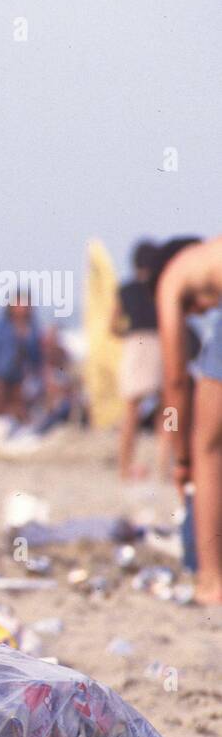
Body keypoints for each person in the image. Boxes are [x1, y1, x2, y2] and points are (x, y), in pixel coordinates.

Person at [155, 236, 222, 604]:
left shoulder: (172, 277)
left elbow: (175, 381)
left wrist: (183, 458)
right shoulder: (210, 256)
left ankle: (212, 583)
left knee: (210, 447)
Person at [114, 240, 166, 479]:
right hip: (162, 344)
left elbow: (113, 326)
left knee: (131, 411)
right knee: (167, 411)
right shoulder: (162, 286)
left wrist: (127, 333)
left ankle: (125, 468)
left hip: (136, 345)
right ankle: (164, 465)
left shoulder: (125, 289)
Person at [0, 293, 43, 420]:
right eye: (19, 304)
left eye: (25, 305)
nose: (22, 308)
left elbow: (35, 355)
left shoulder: (32, 328)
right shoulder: (1, 326)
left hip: (20, 376)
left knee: (19, 406)